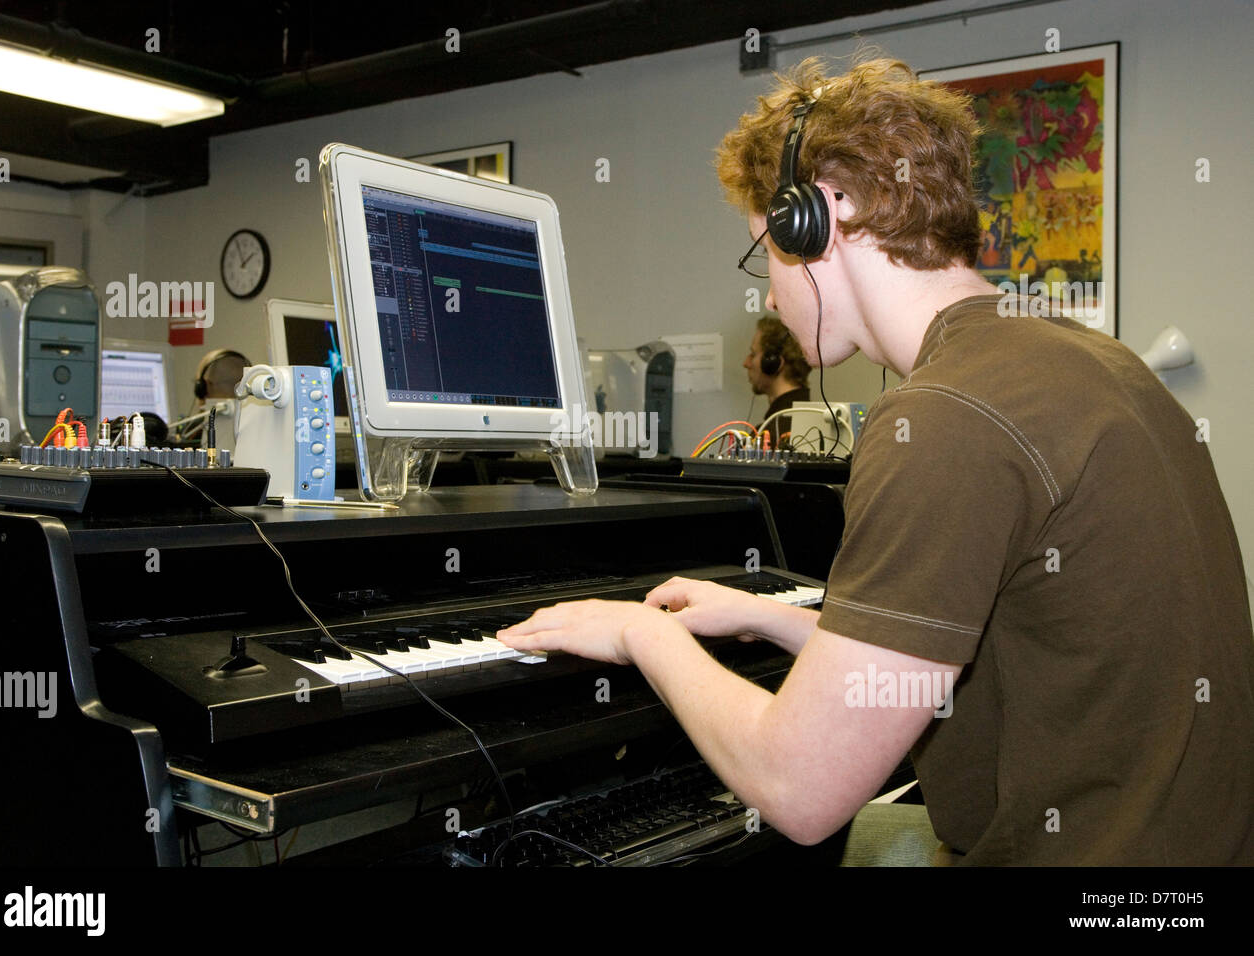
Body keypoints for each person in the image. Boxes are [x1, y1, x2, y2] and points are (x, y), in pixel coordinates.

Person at [498, 55, 1254, 864]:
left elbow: (800, 789)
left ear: (821, 215)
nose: (773, 300)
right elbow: (979, 651)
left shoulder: (941, 416)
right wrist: (774, 619)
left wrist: (640, 637)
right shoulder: (1094, 364)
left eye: (766, 255)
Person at [744, 315, 810, 447]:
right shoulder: (814, 422)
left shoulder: (767, 438)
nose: (746, 363)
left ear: (774, 363)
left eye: (753, 354)